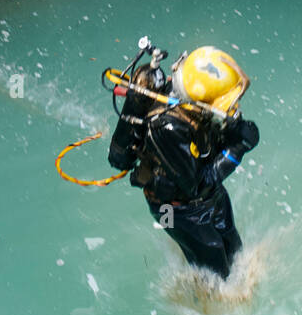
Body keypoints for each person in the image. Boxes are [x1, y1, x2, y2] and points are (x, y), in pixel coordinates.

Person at [107, 45, 260, 279]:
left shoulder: (192, 103)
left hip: (209, 195)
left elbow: (206, 148)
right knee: (214, 269)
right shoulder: (167, 127)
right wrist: (238, 149)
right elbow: (195, 185)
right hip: (178, 208)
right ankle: (207, 307)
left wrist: (233, 132)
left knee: (234, 249)